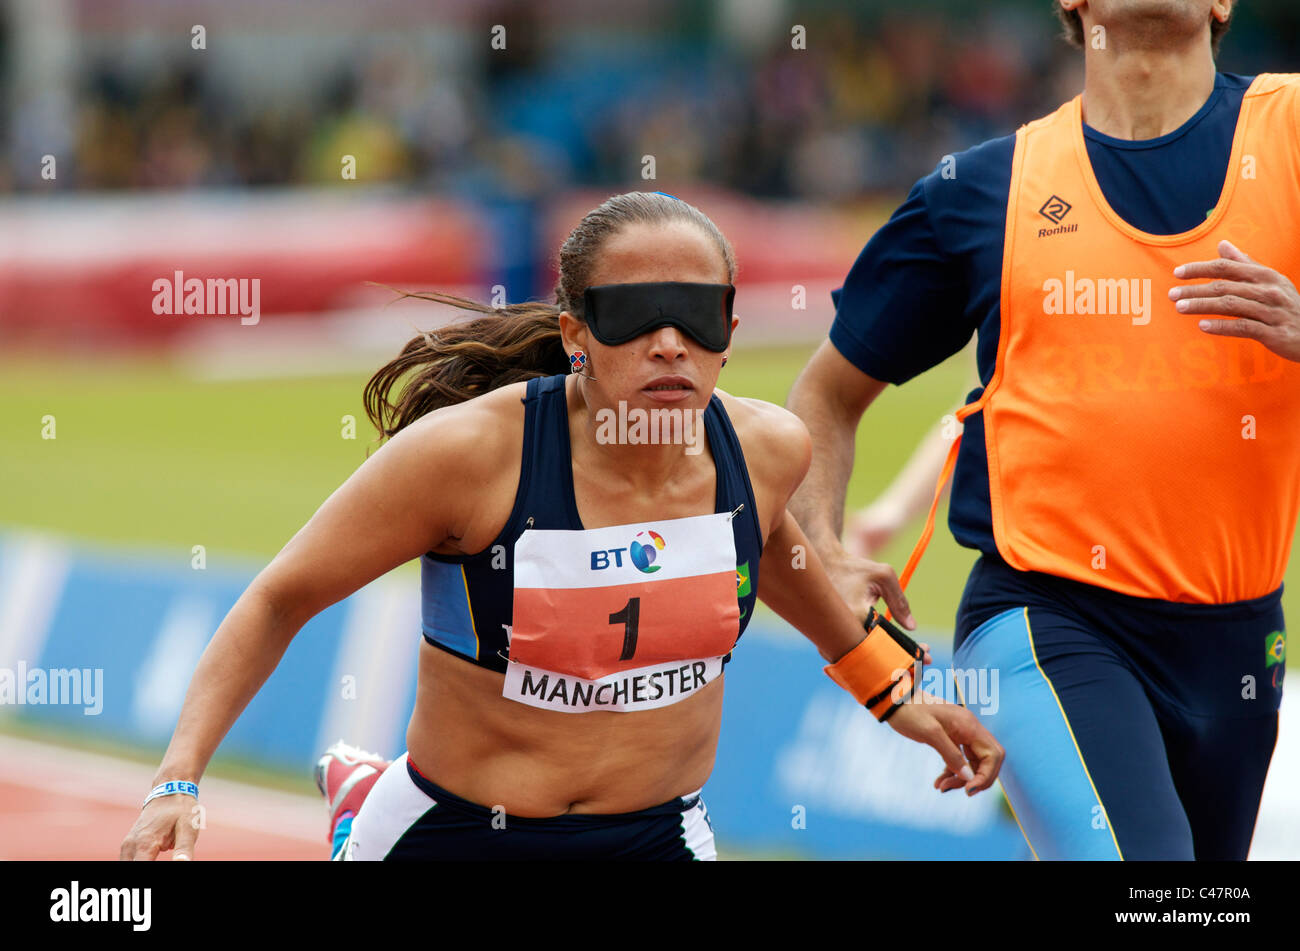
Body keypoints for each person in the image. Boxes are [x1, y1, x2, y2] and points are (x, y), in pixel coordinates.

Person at [119, 191, 1003, 862]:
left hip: (658, 832)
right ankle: (367, 804)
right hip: (457, 828)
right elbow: (280, 599)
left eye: (695, 314)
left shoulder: (766, 449)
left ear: (731, 328)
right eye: (635, 316)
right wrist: (179, 777)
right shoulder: (469, 456)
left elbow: (782, 563)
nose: (669, 343)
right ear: (577, 332)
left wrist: (898, 697)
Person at [787, 0, 1300, 861]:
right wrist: (824, 552)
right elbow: (825, 395)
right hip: (1047, 616)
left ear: (1223, 3)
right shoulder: (982, 188)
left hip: (1242, 639)